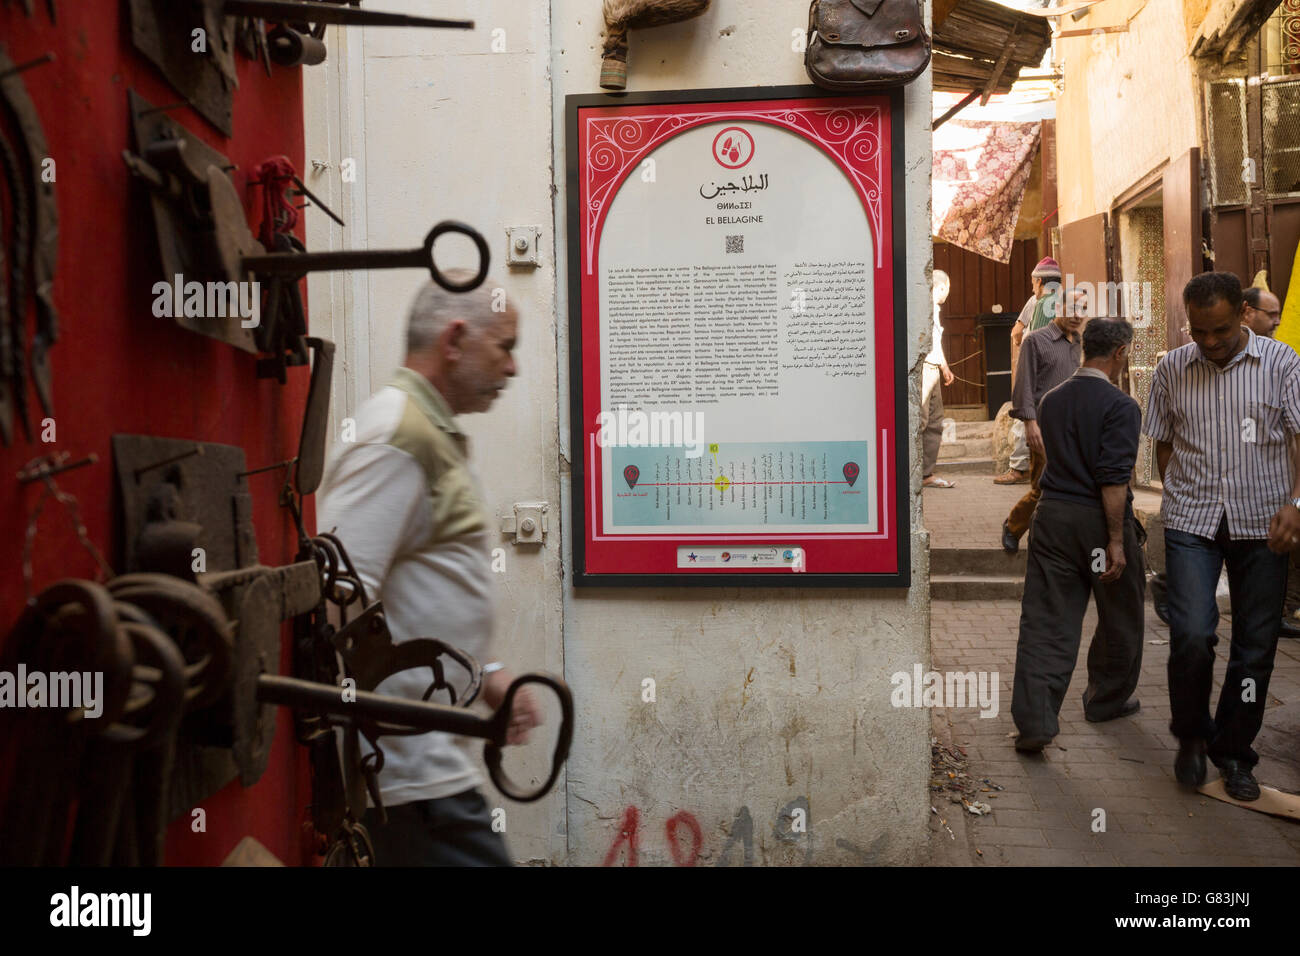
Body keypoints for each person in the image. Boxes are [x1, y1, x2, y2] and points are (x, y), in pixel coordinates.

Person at [318, 275, 541, 864]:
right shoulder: (396, 436)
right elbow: (336, 604)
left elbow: (419, 592)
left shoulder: (431, 433)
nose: (513, 368)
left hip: (429, 768)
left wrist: (485, 673)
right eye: (506, 346)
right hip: (405, 778)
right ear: (454, 339)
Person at [1143, 271, 1300, 801]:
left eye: (1221, 331)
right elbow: (1163, 444)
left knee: (1255, 649)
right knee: (1190, 632)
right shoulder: (1170, 369)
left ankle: (1233, 752)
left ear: (1244, 315)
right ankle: (1190, 736)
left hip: (1265, 525)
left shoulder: (1283, 365)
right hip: (1193, 522)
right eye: (1199, 332)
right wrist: (1182, 495)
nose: (1209, 342)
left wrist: (1296, 505)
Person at [1011, 318, 1144, 752]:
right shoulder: (1122, 406)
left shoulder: (1051, 401)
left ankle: (1035, 722)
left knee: (1046, 621)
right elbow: (1112, 479)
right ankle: (1105, 700)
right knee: (1120, 616)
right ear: (1120, 352)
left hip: (1051, 518)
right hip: (1097, 521)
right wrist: (1116, 541)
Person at [1000, 287, 1086, 554]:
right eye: (1071, 308)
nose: (1076, 315)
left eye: (1082, 310)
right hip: (1045, 427)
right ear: (1056, 308)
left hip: (1075, 428)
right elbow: (1023, 385)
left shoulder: (1080, 343)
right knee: (1042, 486)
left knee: (1072, 485)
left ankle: (1058, 540)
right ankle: (1013, 526)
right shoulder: (1035, 341)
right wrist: (1029, 423)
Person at [996, 257, 1063, 485]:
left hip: (1039, 370)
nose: (1032, 286)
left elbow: (1017, 332)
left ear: (1039, 281)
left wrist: (1023, 347)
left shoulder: (1041, 302)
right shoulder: (1061, 300)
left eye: (1033, 282)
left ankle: (1020, 469)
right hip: (1057, 371)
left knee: (1026, 416)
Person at [922, 269, 957, 488]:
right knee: (922, 420)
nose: (947, 294)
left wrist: (944, 367)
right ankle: (913, 471)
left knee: (935, 421)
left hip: (934, 366)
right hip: (925, 367)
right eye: (947, 289)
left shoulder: (934, 309)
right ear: (941, 286)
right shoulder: (923, 304)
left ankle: (926, 473)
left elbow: (936, 339)